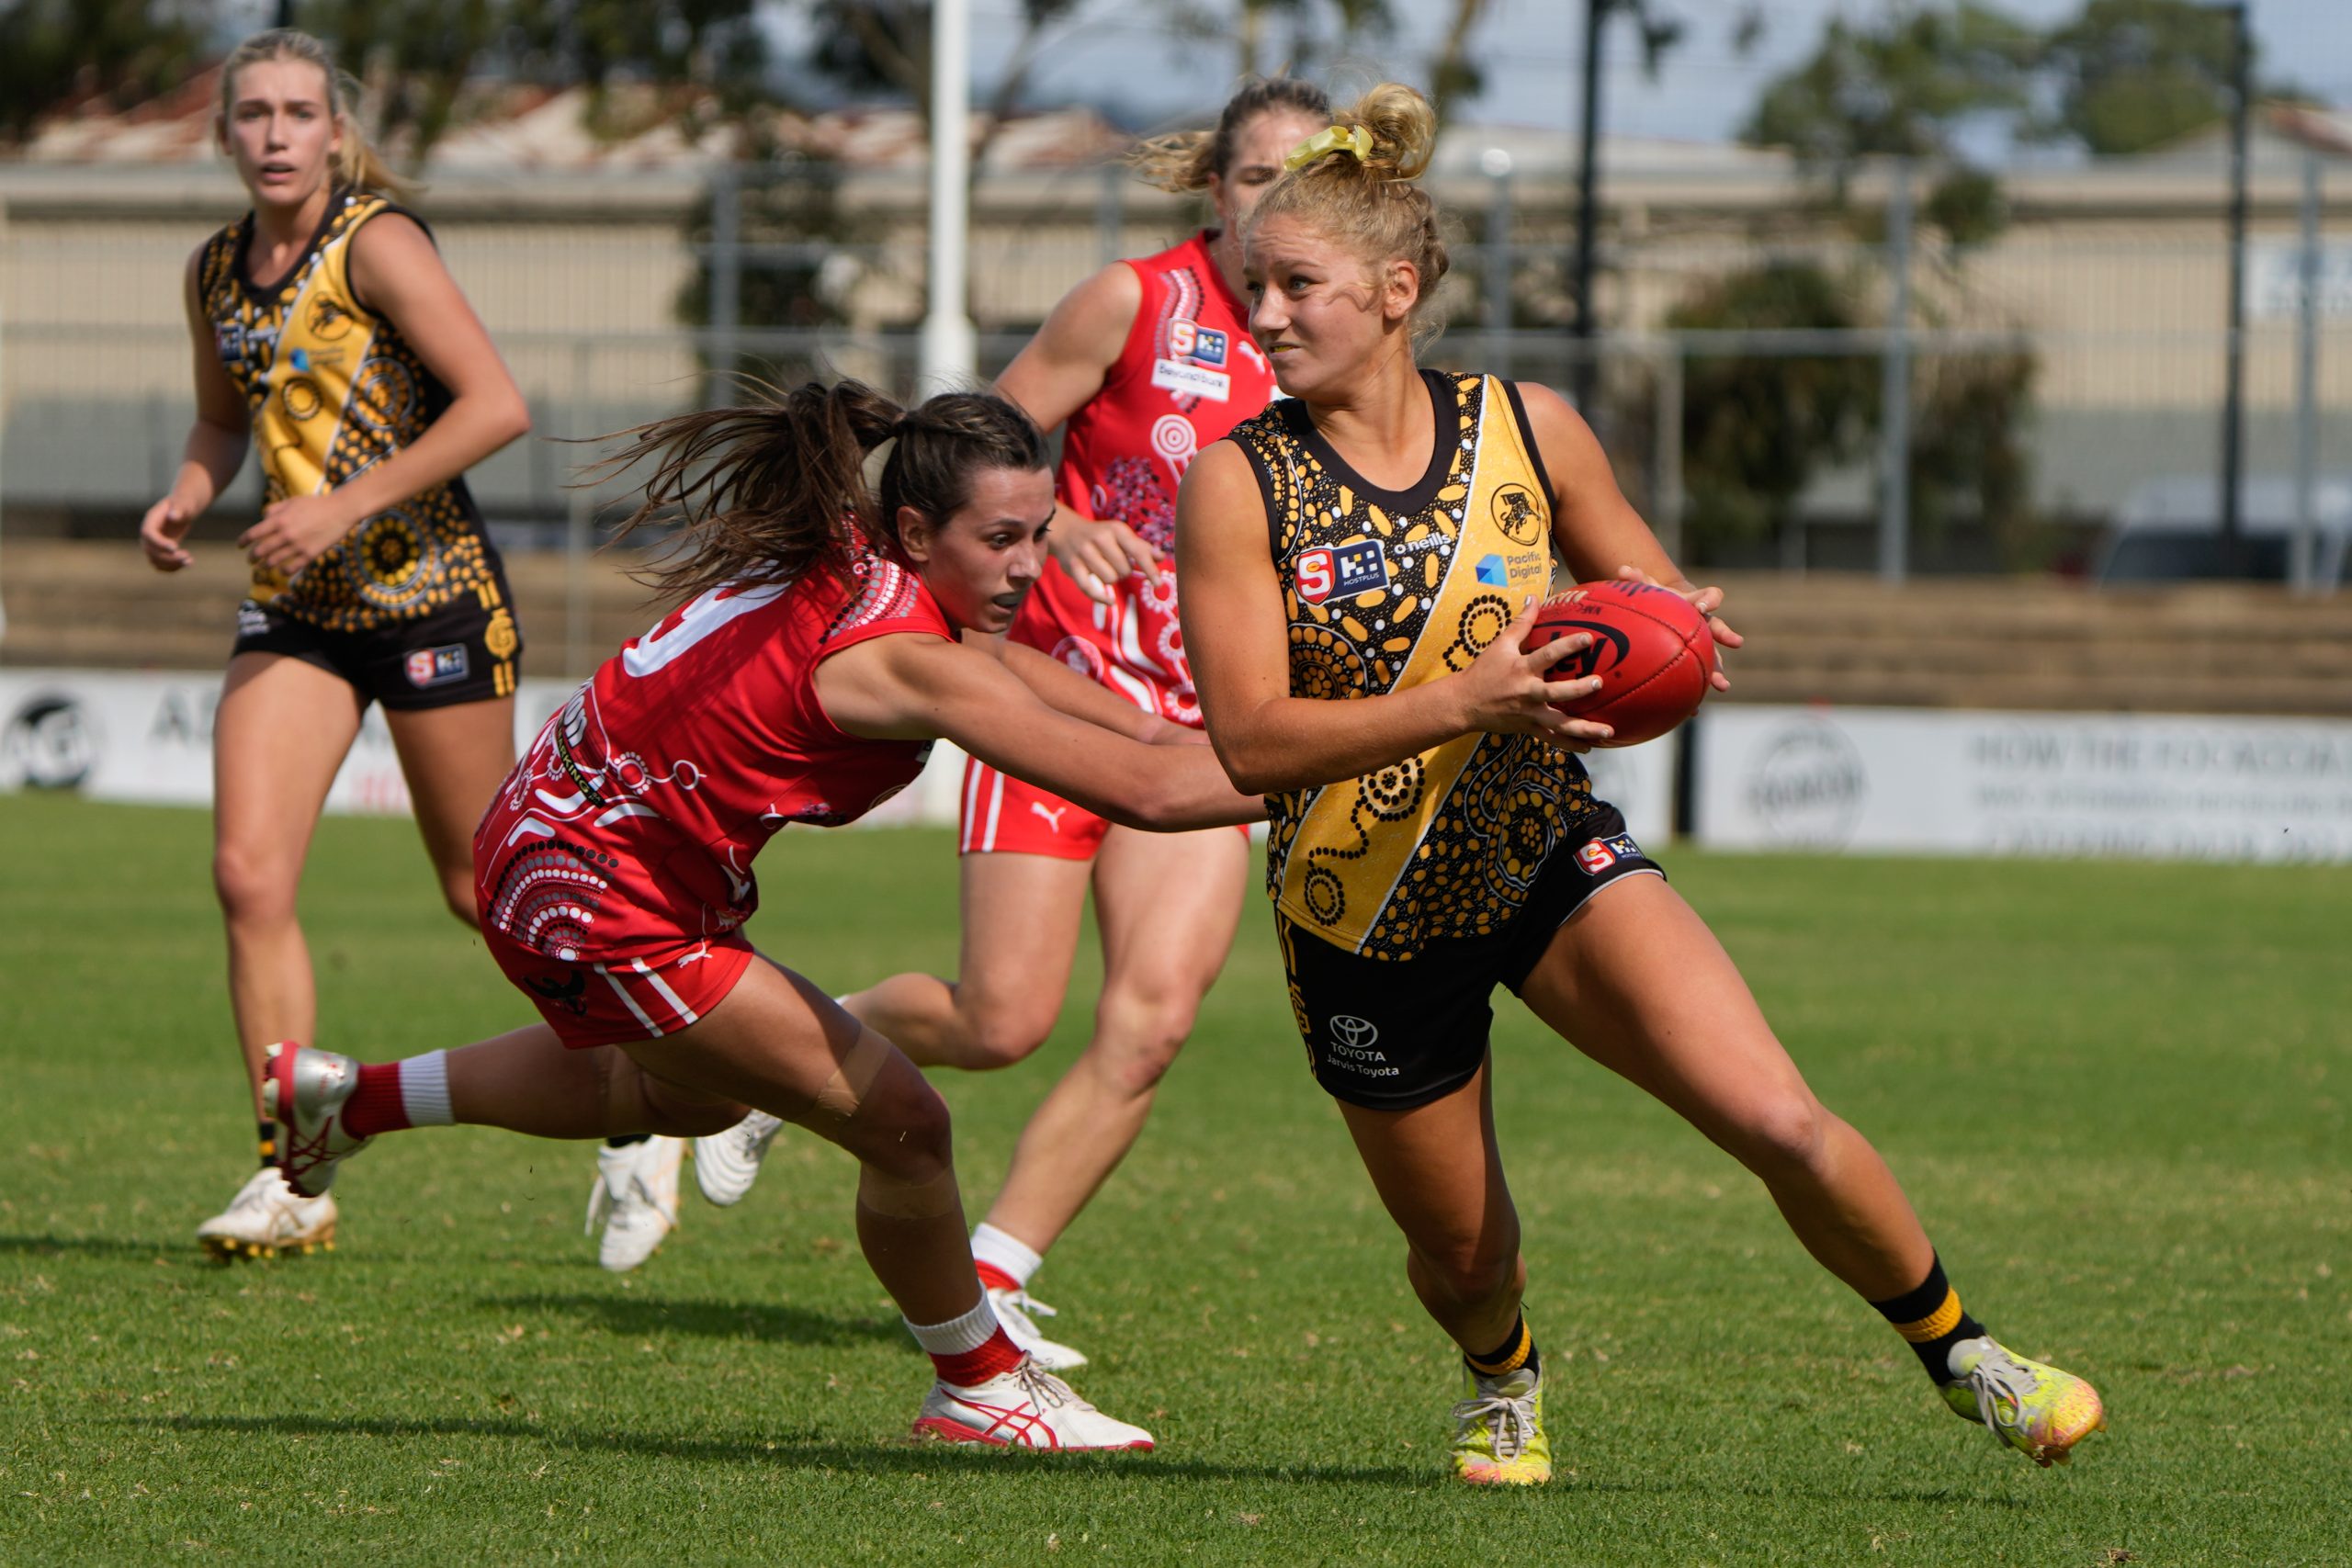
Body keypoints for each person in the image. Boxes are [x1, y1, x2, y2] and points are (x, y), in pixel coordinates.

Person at [1175, 84, 2107, 1485]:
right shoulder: (1237, 483)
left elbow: (1649, 597)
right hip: (1362, 911)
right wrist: (1470, 695)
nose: (1265, 315)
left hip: (1546, 851)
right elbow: (1251, 741)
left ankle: (1968, 1353)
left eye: (1297, 285)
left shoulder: (1531, 428)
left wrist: (1673, 635)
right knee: (1465, 1254)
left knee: (1780, 1116)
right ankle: (1503, 1374)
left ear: (1396, 290)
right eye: (1256, 285)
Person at [262, 383, 1261, 1449]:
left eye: (1041, 533)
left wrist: (1255, 740)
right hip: (601, 890)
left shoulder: (866, 562)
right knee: (907, 1126)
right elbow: (1147, 796)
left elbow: (1140, 741)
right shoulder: (900, 661)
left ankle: (351, 1101)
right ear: (915, 532)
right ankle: (978, 1385)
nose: (1029, 565)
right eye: (1001, 539)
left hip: (561, 843)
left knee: (687, 1098)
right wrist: (1371, 754)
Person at [688, 79, 1336, 1370]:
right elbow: (967, 450)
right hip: (1056, 693)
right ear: (1215, 187)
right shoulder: (1134, 302)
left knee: (1151, 1023)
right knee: (1000, 1020)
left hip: (1199, 728)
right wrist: (1066, 524)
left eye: (1312, 179)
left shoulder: (1335, 343)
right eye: (1262, 174)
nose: (1283, 202)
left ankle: (993, 1276)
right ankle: (794, 1054)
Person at [141, 28, 538, 1261]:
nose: (274, 133)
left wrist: (344, 504)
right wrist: (187, 492)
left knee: (484, 890)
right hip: (299, 609)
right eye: (252, 112)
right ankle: (290, 1171)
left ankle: (659, 1078)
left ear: (334, 131)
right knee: (248, 877)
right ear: (225, 133)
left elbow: (498, 405)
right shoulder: (214, 268)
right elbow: (223, 419)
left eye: (297, 112)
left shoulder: (378, 243)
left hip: (432, 600)